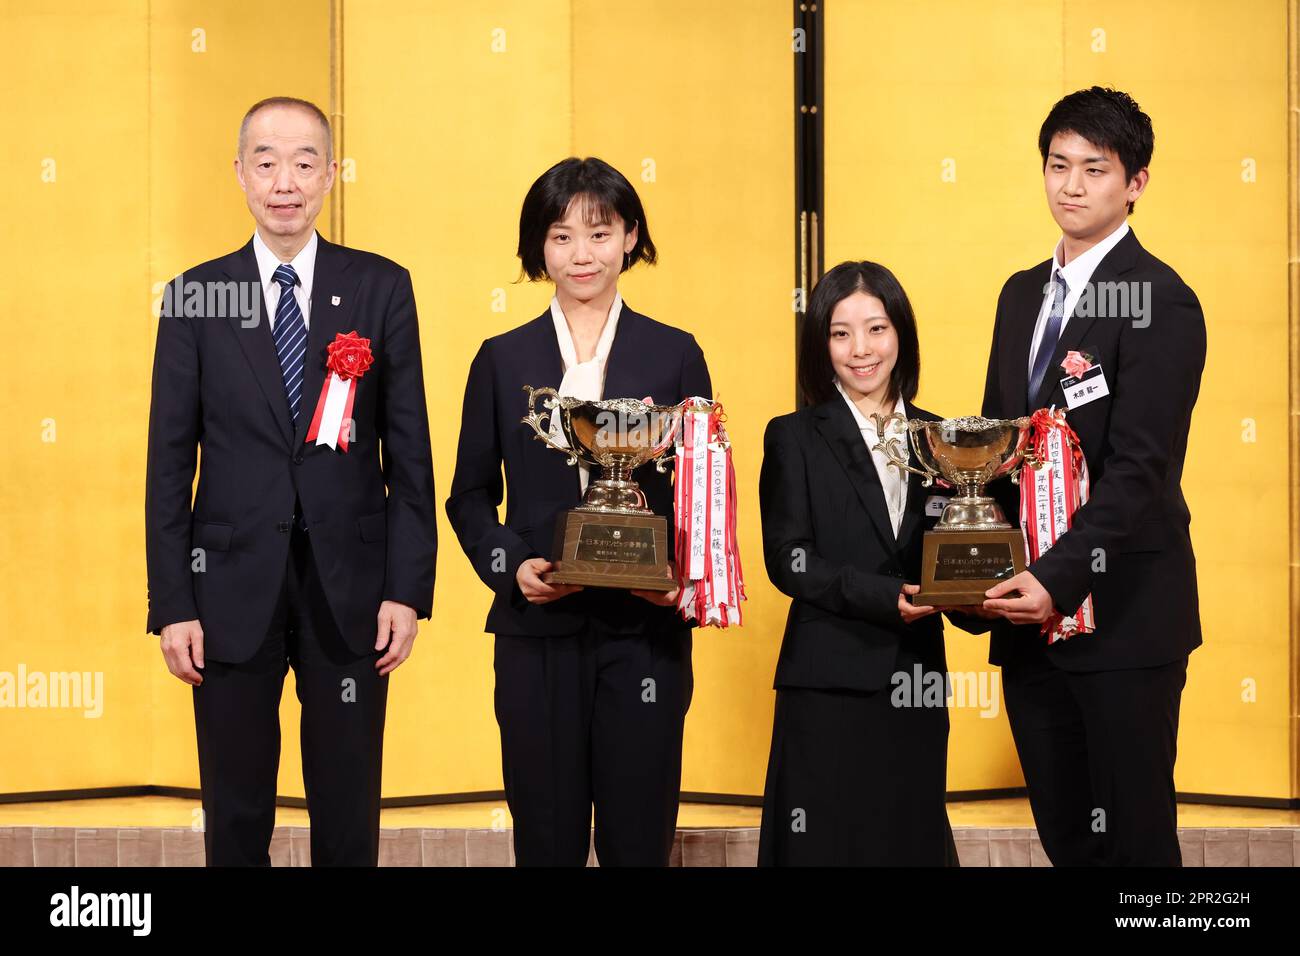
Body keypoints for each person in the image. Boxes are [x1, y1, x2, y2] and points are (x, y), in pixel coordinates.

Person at [145, 96, 437, 866]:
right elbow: (168, 464)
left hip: (353, 587)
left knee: (348, 807)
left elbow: (410, 456)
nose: (285, 182)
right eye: (267, 162)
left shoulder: (380, 286)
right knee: (236, 810)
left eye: (305, 163)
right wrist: (173, 603)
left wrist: (406, 589)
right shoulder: (196, 295)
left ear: (331, 174)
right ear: (239, 173)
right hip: (227, 585)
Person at [445, 157, 712, 866]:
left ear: (630, 237)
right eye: (561, 236)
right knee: (546, 840)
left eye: (599, 233)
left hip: (645, 633)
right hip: (537, 633)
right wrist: (512, 567)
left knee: (639, 840)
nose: (582, 254)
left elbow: (702, 489)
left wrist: (679, 580)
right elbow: (468, 495)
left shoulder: (675, 354)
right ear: (539, 247)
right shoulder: (502, 359)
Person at [970, 87, 1206, 865]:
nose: (1071, 186)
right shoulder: (1019, 294)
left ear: (1135, 182)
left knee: (1135, 844)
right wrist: (968, 568)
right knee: (1068, 839)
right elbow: (997, 445)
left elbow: (1139, 471)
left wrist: (1057, 578)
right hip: (1028, 621)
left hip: (1125, 617)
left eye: (1094, 169)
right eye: (1057, 164)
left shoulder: (1161, 300)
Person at [757, 260, 958, 866]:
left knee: (908, 844)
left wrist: (979, 597)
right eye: (840, 333)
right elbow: (788, 559)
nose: (861, 350)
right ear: (821, 345)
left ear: (901, 334)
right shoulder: (793, 435)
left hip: (917, 680)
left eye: (876, 329)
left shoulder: (946, 437)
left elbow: (958, 554)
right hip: (827, 682)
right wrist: (881, 596)